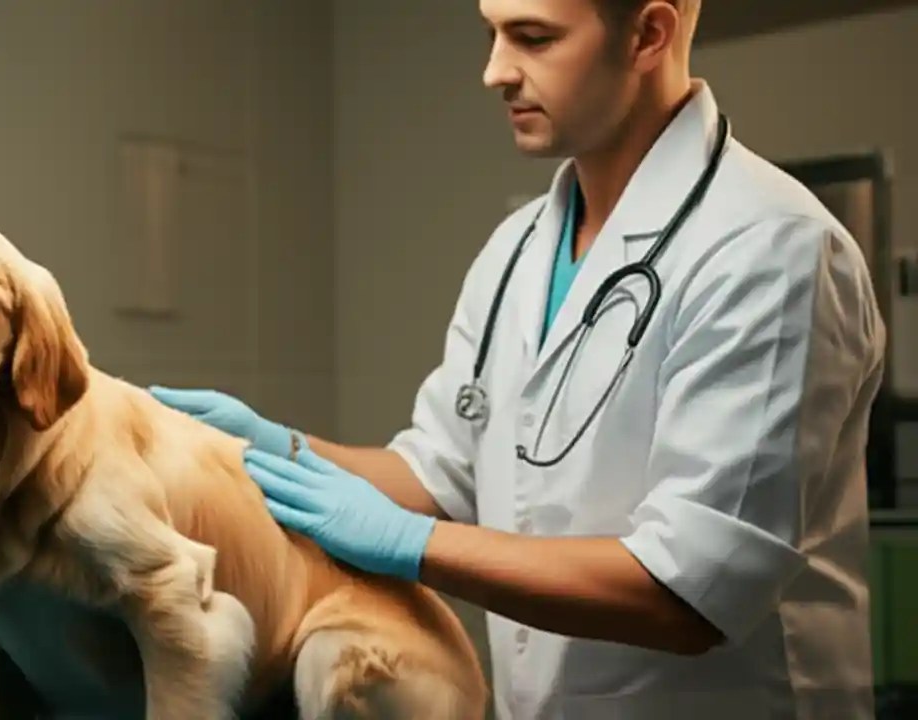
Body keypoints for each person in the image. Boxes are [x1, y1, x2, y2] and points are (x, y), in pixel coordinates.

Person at [151, 0, 885, 717]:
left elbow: (685, 593)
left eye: (532, 37)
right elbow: (436, 476)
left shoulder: (768, 249)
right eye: (492, 33)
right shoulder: (518, 249)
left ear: (649, 35)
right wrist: (270, 449)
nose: (494, 71)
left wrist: (414, 546)